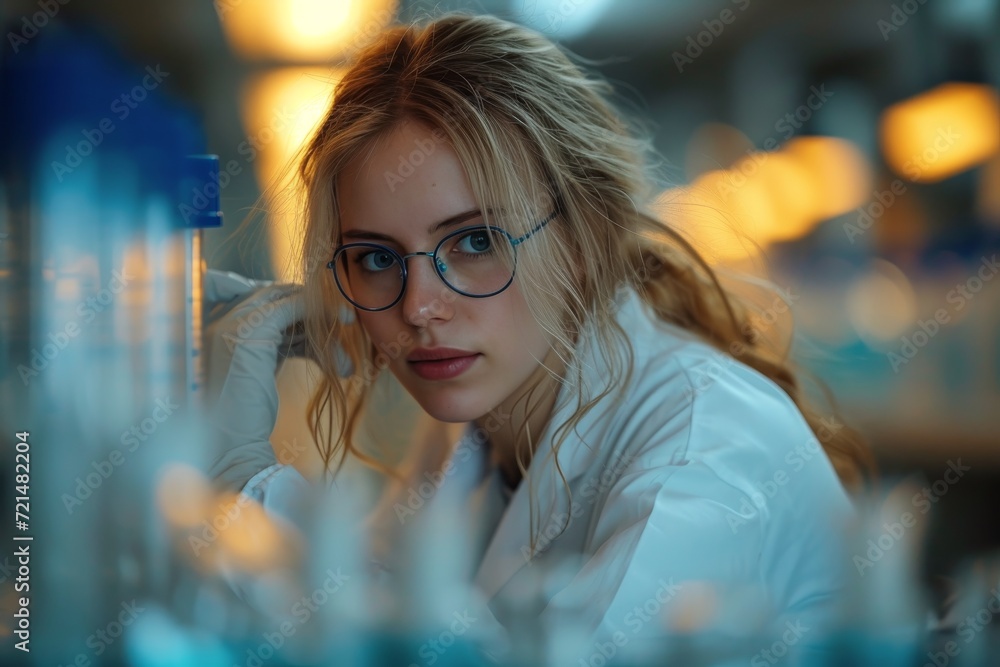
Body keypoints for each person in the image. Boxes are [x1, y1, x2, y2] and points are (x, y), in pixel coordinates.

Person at [204, 12, 876, 665]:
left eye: (474, 242)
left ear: (586, 236)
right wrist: (236, 491)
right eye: (377, 258)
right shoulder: (476, 425)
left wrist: (244, 486)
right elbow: (394, 609)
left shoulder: (700, 450)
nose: (419, 307)